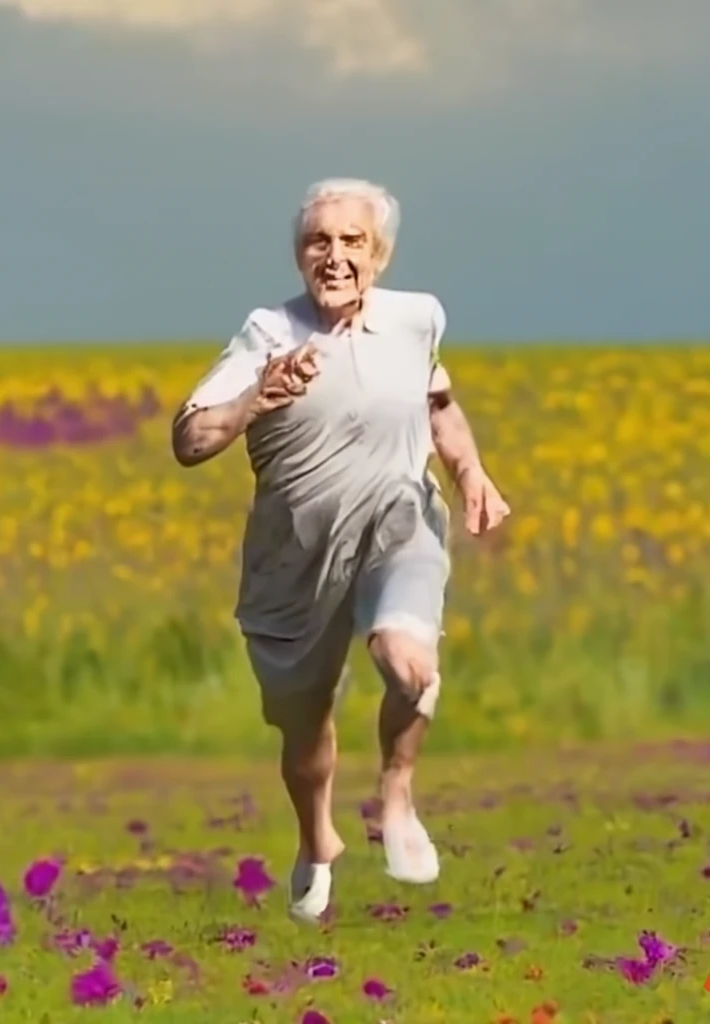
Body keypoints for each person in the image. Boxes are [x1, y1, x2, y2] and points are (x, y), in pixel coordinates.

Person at [171, 177, 510, 922]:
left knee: (407, 662)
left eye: (352, 241)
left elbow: (439, 404)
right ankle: (315, 836)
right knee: (303, 727)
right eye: (318, 242)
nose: (334, 256)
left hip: (398, 523)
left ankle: (396, 790)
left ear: (378, 255)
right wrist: (254, 399)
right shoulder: (269, 334)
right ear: (299, 255)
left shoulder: (418, 319)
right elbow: (189, 439)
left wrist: (471, 473)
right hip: (294, 558)